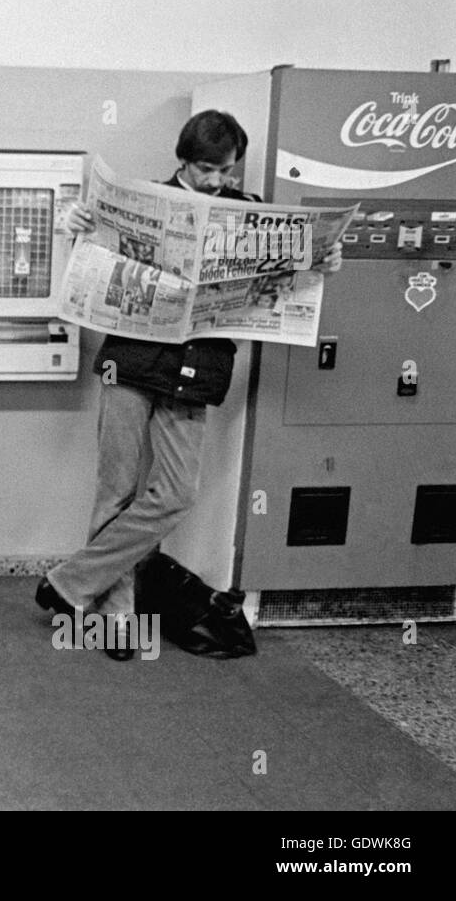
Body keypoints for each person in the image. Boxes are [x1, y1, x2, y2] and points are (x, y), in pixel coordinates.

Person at [35, 110, 343, 660]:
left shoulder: (250, 215)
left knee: (175, 493)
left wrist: (325, 259)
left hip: (195, 371)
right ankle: (116, 618)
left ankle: (67, 584)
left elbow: (293, 280)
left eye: (225, 170)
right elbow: (89, 254)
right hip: (130, 363)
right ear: (184, 159)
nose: (216, 181)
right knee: (118, 490)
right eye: (207, 169)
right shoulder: (143, 202)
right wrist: (78, 225)